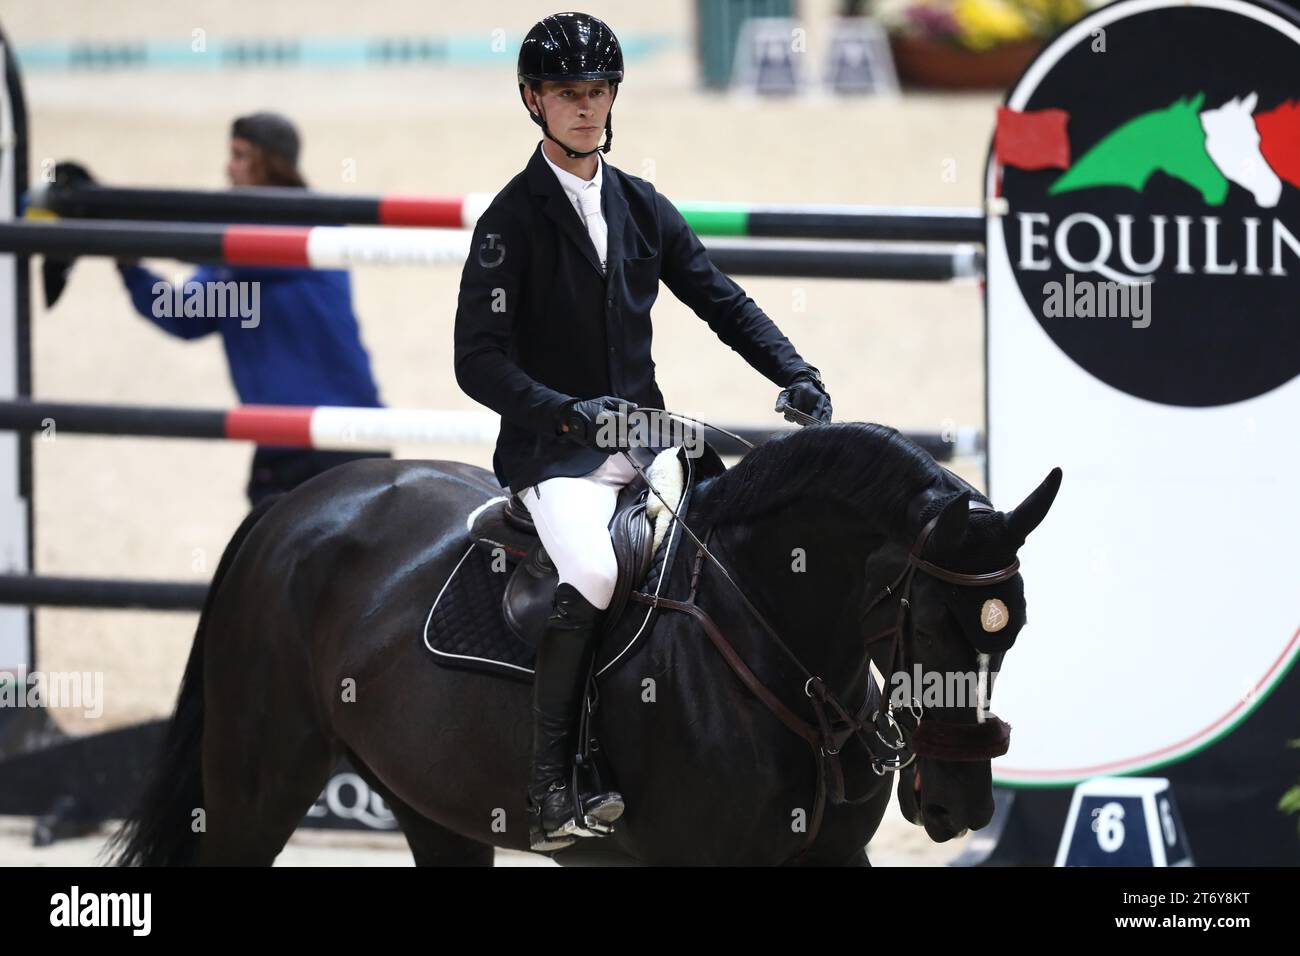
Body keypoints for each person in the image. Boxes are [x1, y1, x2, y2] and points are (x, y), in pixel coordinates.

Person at [453, 12, 832, 852]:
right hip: (555, 454)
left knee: (735, 547)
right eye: (566, 95)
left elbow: (719, 299)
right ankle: (553, 784)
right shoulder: (507, 224)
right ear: (534, 101)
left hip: (651, 438)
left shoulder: (639, 204)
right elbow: (475, 363)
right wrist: (564, 409)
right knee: (591, 570)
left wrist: (793, 371)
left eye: (597, 93)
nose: (585, 109)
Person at [116, 112, 388, 505]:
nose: (228, 167)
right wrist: (130, 268)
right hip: (280, 447)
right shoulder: (231, 259)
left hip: (344, 443)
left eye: (240, 156)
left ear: (271, 162)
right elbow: (181, 314)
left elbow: (206, 246)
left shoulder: (310, 224)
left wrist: (124, 217)